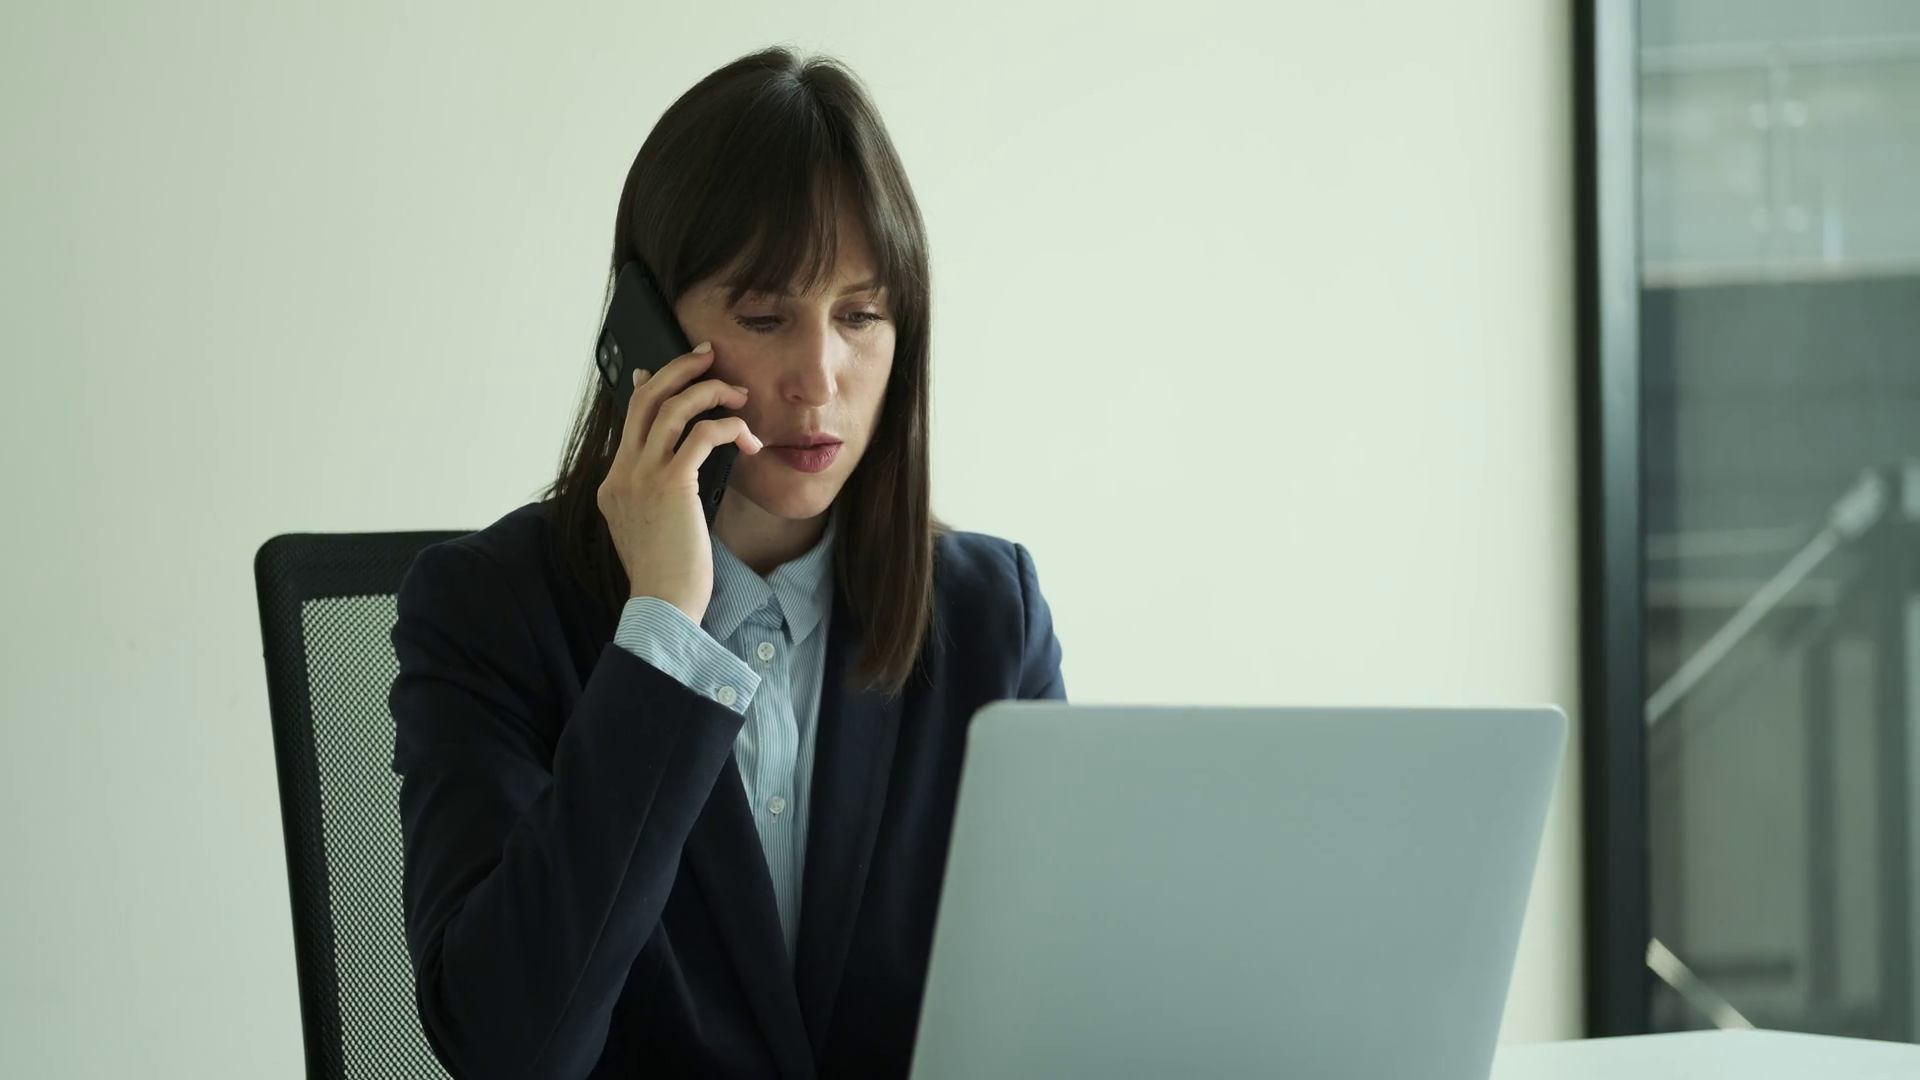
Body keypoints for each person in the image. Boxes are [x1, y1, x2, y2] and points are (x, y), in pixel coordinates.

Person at [389, 46, 1064, 1080]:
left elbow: (1060, 995)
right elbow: (508, 1048)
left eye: (861, 315)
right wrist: (663, 629)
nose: (819, 378)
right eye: (763, 315)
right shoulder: (487, 610)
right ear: (647, 332)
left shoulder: (990, 615)